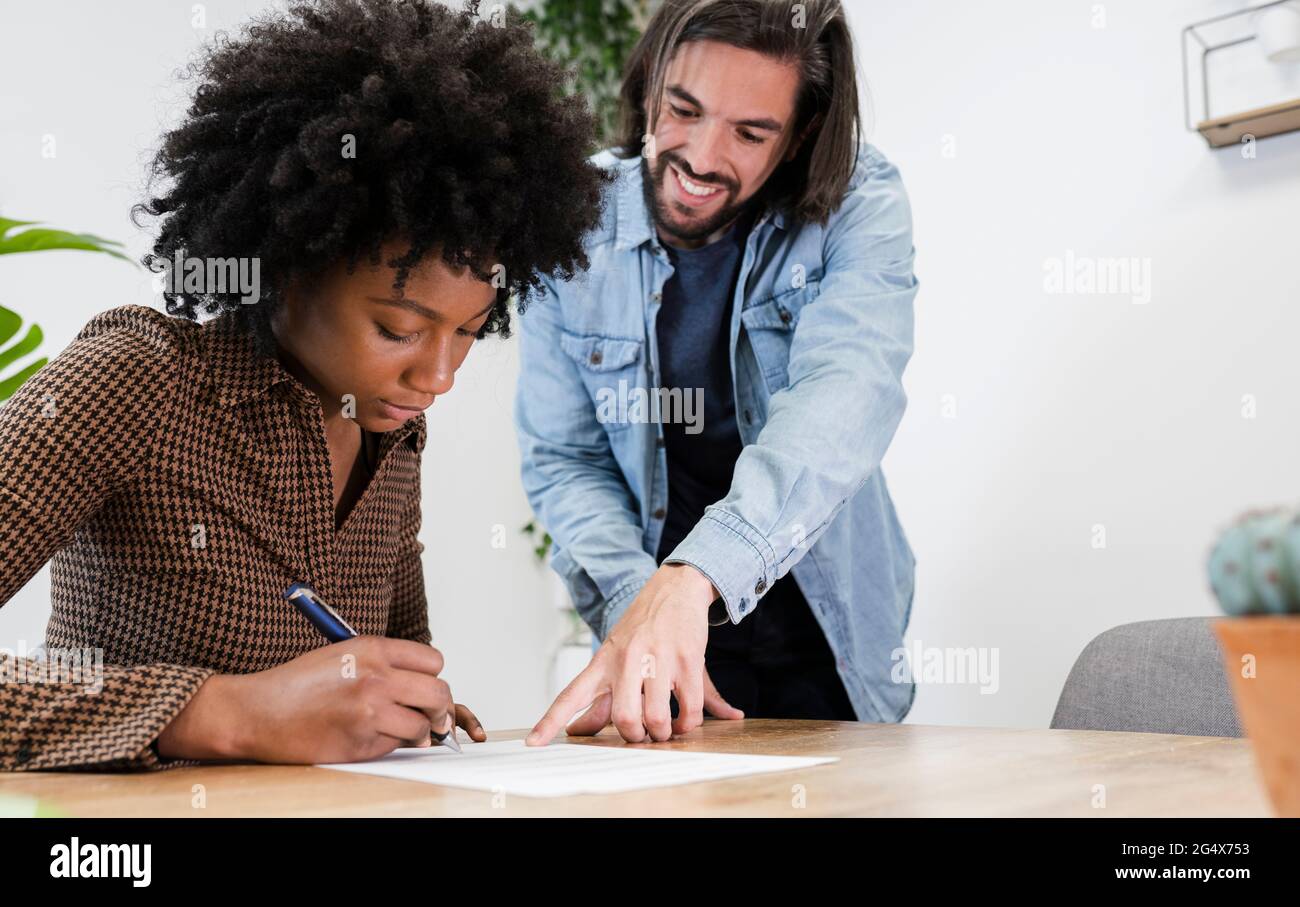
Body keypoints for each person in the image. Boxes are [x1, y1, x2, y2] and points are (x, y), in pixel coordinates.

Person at [0, 0, 609, 771]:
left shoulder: (395, 431)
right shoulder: (136, 380)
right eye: (398, 329)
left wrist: (405, 708)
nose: (440, 377)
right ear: (286, 266)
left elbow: (386, 665)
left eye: (467, 331)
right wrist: (219, 712)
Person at [516, 0, 919, 746]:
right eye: (683, 110)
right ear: (647, 88)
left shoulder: (860, 203)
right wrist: (645, 605)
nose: (700, 157)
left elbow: (847, 395)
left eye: (749, 132)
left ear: (798, 138)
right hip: (663, 642)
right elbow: (566, 458)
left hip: (832, 641)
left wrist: (697, 572)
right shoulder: (573, 215)